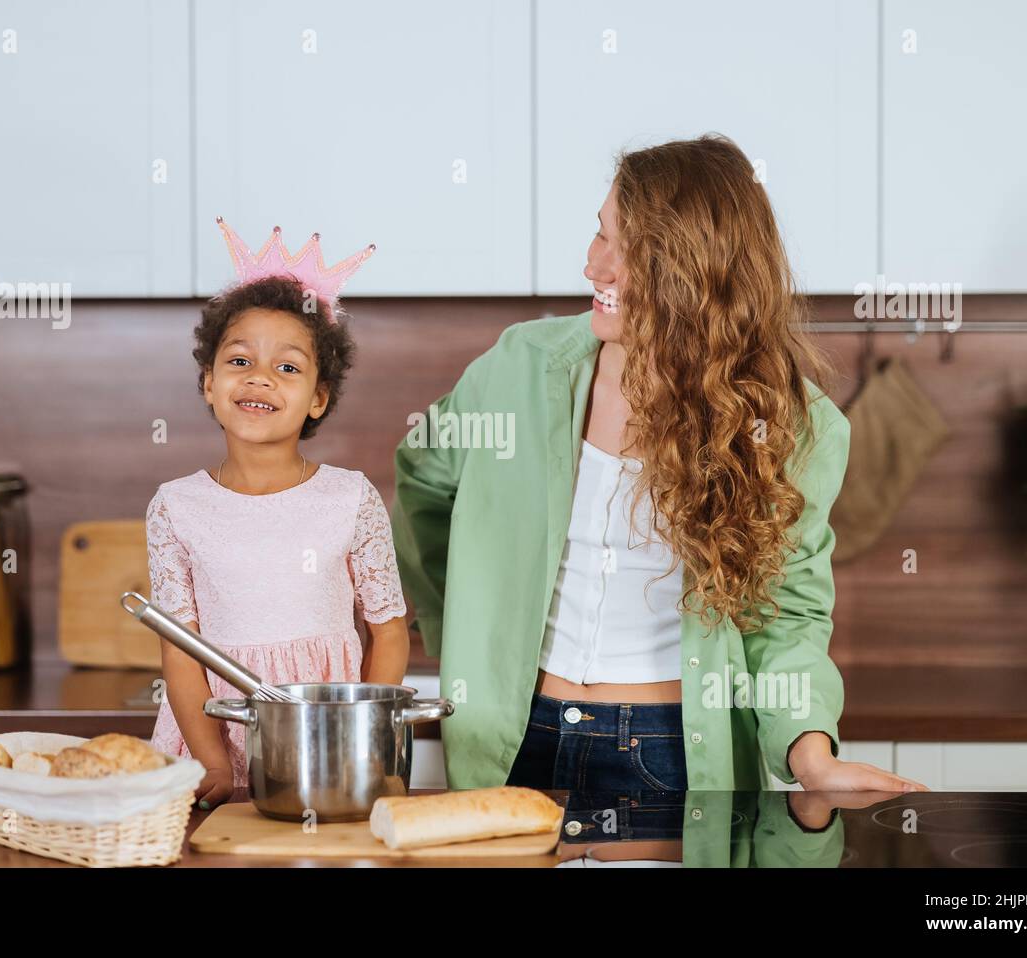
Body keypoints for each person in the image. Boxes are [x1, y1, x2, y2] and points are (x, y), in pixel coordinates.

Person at [391, 135, 928, 793]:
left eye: (625, 249)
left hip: (674, 754)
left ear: (692, 270)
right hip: (507, 739)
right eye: (598, 235)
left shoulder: (794, 425)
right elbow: (423, 482)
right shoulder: (518, 368)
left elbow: (788, 614)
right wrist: (468, 630)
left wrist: (811, 757)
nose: (595, 266)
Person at [147, 220, 409, 809]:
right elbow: (179, 647)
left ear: (319, 398)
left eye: (288, 367)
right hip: (207, 742)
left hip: (326, 747)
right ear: (208, 382)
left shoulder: (352, 498)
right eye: (240, 361)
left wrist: (359, 736)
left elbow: (389, 630)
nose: (261, 377)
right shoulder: (176, 506)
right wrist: (213, 759)